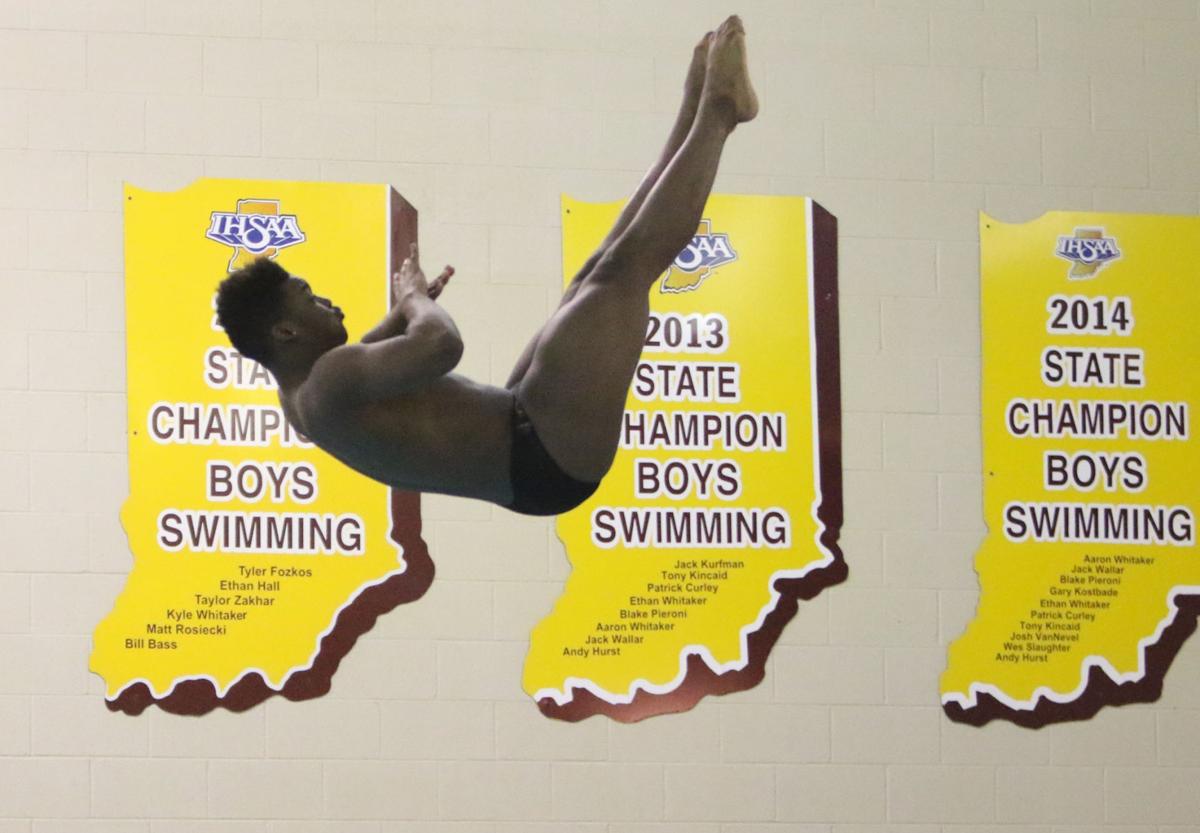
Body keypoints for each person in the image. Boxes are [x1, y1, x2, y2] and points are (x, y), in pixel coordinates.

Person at [215, 16, 758, 516]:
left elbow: (365, 357)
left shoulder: (302, 399)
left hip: (524, 430)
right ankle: (718, 113)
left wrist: (405, 311)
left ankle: (693, 110)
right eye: (309, 298)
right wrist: (414, 304)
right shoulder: (327, 382)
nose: (326, 303)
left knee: (595, 274)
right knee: (621, 275)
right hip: (544, 455)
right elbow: (443, 347)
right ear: (285, 330)